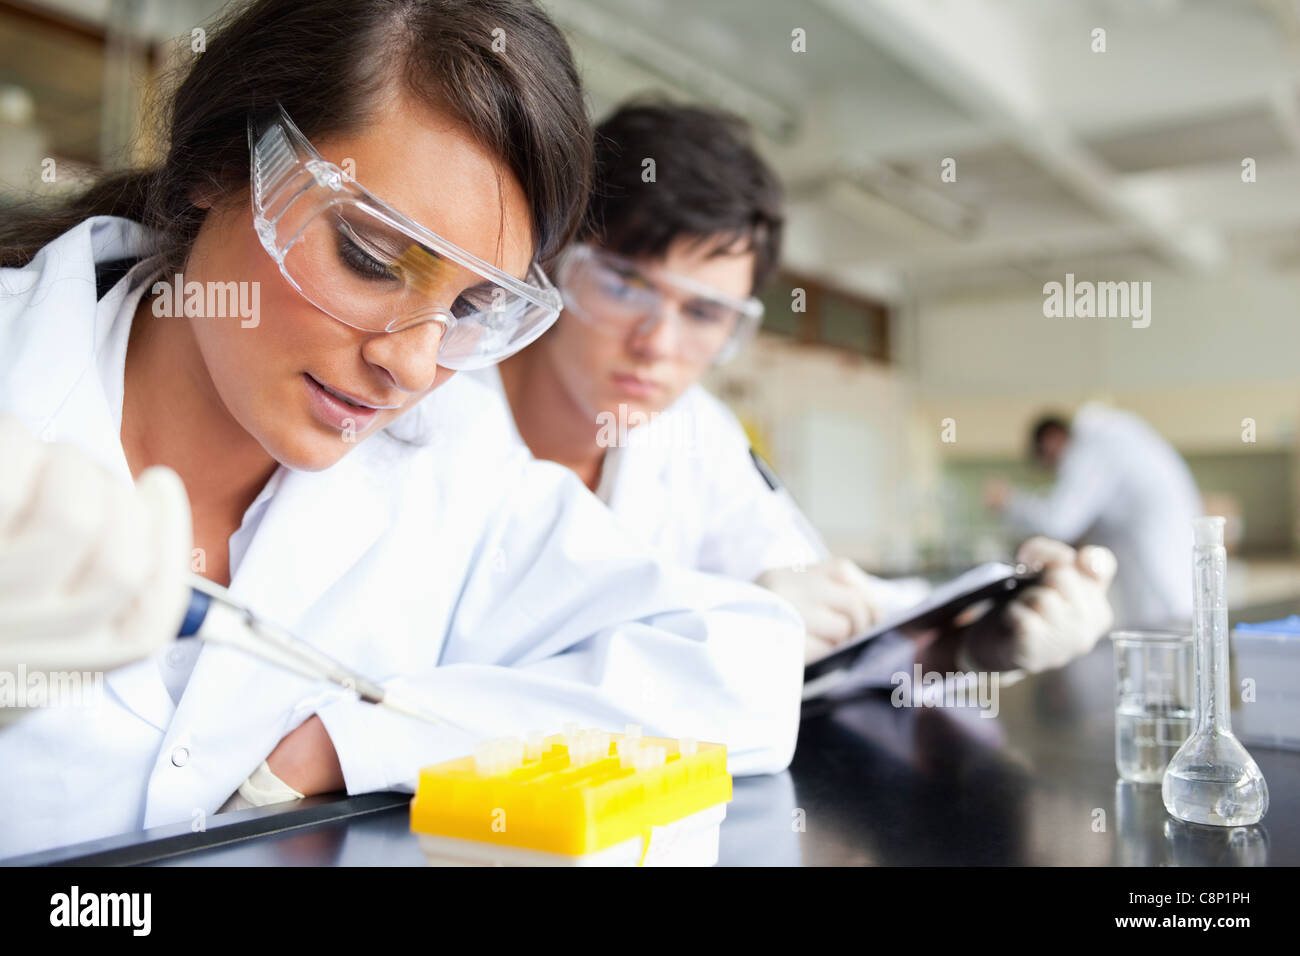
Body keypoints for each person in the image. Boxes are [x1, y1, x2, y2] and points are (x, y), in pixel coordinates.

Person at [0, 0, 804, 858]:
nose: (415, 368)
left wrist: (357, 738)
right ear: (217, 164)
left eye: (471, 306)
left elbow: (742, 670)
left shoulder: (447, 465)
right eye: (371, 258)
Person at [479, 100, 1117, 678]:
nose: (658, 344)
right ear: (556, 256)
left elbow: (826, 600)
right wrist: (726, 620)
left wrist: (976, 632)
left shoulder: (696, 432)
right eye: (623, 285)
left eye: (703, 314)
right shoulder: (437, 406)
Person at [984, 407, 1201, 629]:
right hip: (1162, 557)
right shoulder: (1115, 438)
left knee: (1163, 636)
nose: (1058, 471)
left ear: (1052, 440)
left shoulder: (1093, 447)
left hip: (1156, 565)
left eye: (1051, 462)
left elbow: (1059, 521)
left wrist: (1009, 502)